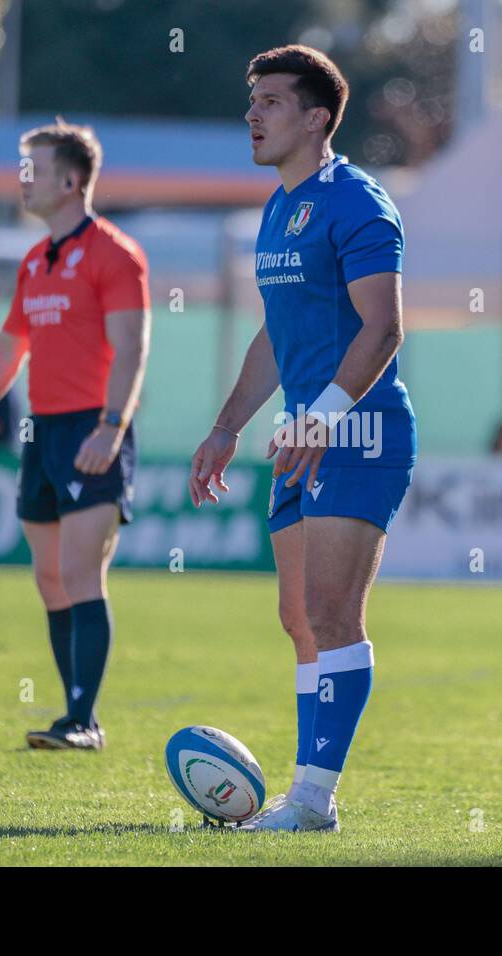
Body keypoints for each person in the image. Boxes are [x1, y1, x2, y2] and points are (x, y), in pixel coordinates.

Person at [189, 45, 416, 832]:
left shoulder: (356, 199)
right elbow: (275, 335)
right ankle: (300, 790)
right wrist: (227, 426)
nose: (253, 114)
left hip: (359, 431)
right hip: (301, 433)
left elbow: (384, 327)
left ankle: (314, 801)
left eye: (272, 102)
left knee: (330, 611)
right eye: (251, 101)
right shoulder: (279, 207)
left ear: (318, 118)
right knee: (297, 617)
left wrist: (322, 415)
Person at [0, 120, 151, 751]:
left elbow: (133, 346)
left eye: (35, 168)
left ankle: (83, 721)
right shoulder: (35, 260)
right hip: (43, 433)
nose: (23, 180)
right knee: (49, 578)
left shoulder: (114, 253)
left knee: (81, 573)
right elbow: (7, 350)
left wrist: (112, 425)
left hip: (93, 429)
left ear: (72, 179)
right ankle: (72, 715)